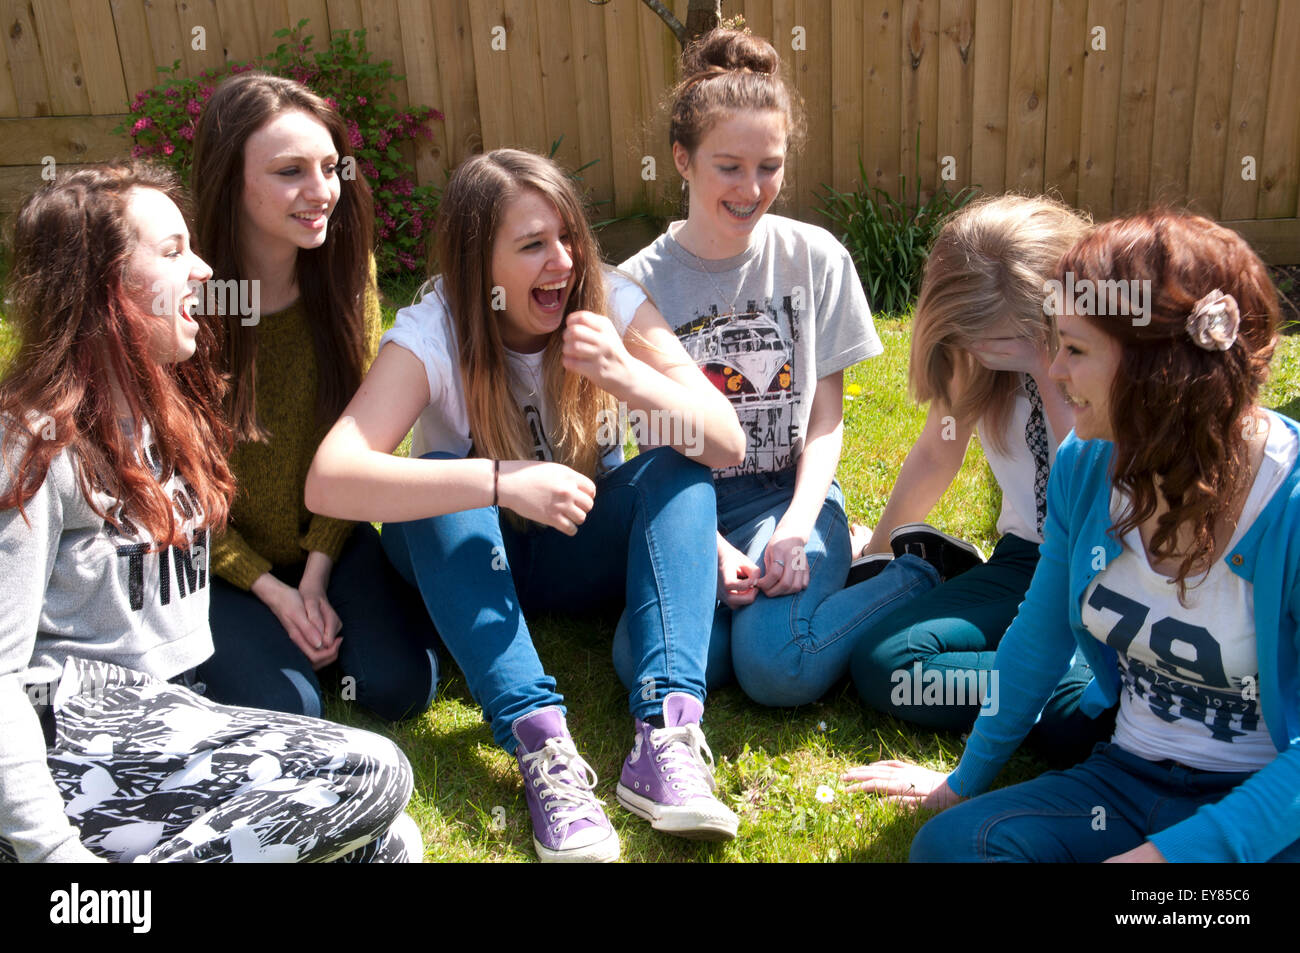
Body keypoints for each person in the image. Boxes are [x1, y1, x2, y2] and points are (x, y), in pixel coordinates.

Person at [305, 148, 748, 863]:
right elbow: (330, 478)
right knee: (443, 476)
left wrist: (623, 373)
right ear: (480, 267)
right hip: (462, 554)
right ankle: (544, 750)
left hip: (570, 545)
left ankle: (664, 738)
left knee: (679, 470)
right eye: (534, 245)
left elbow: (725, 441)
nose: (564, 262)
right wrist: (499, 480)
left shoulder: (609, 298)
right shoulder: (433, 330)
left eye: (569, 236)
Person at [844, 209, 1300, 863]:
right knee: (952, 846)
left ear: (1157, 367)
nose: (1053, 370)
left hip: (1258, 811)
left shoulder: (1288, 503)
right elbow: (1038, 636)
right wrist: (960, 783)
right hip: (1122, 781)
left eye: (1075, 349)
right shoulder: (1084, 470)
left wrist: (1166, 858)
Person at [0, 163, 418, 863]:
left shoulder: (165, 414)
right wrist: (51, 852)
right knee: (372, 771)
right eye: (170, 252)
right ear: (103, 285)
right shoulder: (35, 444)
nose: (201, 269)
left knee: (389, 841)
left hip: (172, 723)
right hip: (76, 740)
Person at [619, 28, 936, 707]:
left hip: (790, 494)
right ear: (682, 159)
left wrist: (795, 525)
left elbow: (826, 420)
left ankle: (909, 576)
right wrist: (706, 547)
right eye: (728, 166)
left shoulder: (815, 258)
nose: (752, 188)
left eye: (770, 165)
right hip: (686, 505)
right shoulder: (636, 285)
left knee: (776, 667)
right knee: (651, 664)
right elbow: (642, 450)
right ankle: (773, 601)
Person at [190, 72, 439, 721]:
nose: (321, 191)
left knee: (397, 687)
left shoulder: (346, 273)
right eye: (290, 171)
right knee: (291, 707)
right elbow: (174, 485)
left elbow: (360, 435)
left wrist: (316, 575)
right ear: (230, 179)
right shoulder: (191, 301)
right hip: (218, 558)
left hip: (331, 535)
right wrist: (271, 589)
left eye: (330, 167)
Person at [848, 195, 1113, 764]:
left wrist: (1047, 368)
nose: (987, 352)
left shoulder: (1119, 347)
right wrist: (871, 555)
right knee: (889, 665)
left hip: (1116, 567)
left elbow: (1090, 487)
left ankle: (1076, 691)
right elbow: (936, 454)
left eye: (1009, 338)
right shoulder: (977, 353)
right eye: (979, 340)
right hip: (1026, 560)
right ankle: (1062, 688)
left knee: (1086, 717)